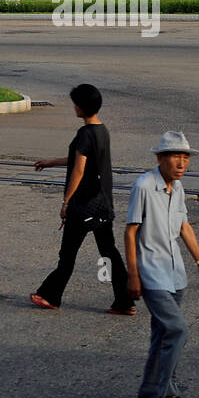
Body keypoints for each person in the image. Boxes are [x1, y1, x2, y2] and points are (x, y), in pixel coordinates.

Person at [125, 131, 199, 398]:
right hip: (150, 273)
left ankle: (150, 391)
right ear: (160, 158)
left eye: (185, 157)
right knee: (178, 329)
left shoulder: (178, 188)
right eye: (175, 156)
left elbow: (184, 226)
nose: (181, 162)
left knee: (162, 333)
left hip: (174, 274)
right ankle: (169, 392)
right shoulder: (143, 186)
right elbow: (130, 231)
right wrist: (133, 275)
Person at [31, 84, 135, 316]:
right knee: (109, 253)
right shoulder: (102, 131)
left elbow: (78, 170)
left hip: (83, 206)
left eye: (75, 103)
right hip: (102, 205)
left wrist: (66, 202)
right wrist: (50, 162)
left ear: (80, 106)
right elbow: (81, 161)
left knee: (67, 255)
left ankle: (50, 296)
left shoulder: (85, 134)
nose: (74, 107)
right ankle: (125, 302)